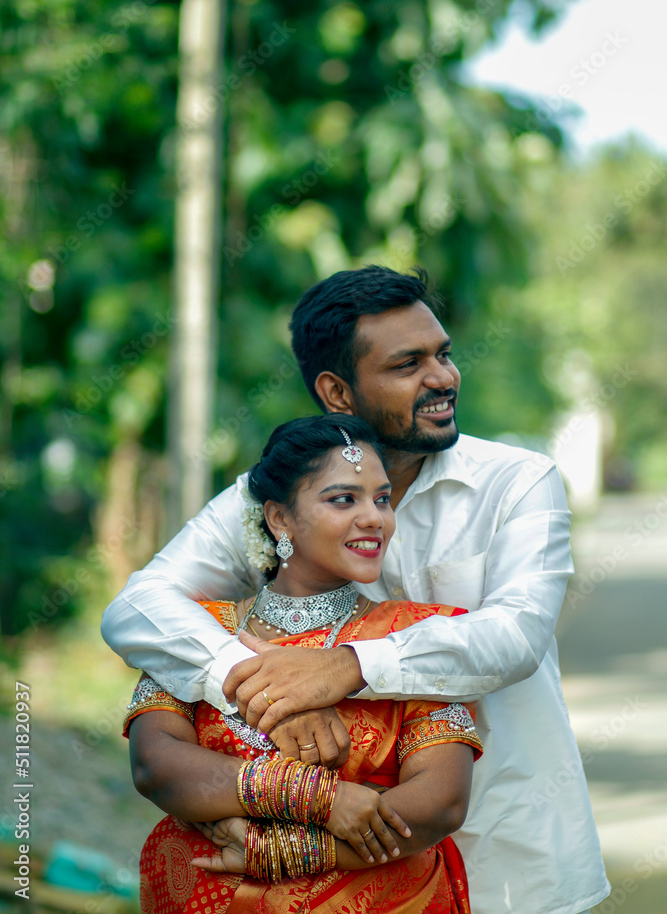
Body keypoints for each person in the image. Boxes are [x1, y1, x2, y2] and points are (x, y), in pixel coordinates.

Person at [103, 266, 610, 914]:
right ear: (337, 392)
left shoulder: (516, 482)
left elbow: (516, 635)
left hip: (507, 848)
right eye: (407, 364)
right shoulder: (274, 493)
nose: (443, 378)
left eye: (443, 354)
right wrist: (257, 682)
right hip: (294, 877)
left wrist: (344, 669)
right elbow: (136, 609)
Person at [125, 413, 482, 913]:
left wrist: (281, 850)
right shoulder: (200, 631)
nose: (374, 518)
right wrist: (317, 797)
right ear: (279, 518)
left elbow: (441, 800)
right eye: (343, 499)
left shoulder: (414, 637)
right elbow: (154, 765)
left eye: (382, 499)